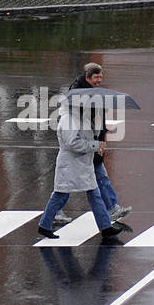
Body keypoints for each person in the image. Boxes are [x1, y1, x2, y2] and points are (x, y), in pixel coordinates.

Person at [36, 98, 123, 244]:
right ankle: (44, 225)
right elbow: (72, 143)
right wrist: (94, 145)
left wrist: (96, 137)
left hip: (83, 164)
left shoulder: (79, 118)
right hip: (70, 164)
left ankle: (106, 227)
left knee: (95, 195)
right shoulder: (68, 119)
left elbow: (84, 136)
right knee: (60, 195)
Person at [54, 61, 130, 225]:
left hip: (90, 140)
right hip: (79, 140)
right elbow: (78, 119)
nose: (99, 80)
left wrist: (101, 140)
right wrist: (95, 142)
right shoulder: (76, 93)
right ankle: (54, 212)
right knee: (67, 181)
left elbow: (99, 120)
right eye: (96, 77)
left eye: (101, 77)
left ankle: (112, 208)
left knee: (98, 175)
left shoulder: (96, 93)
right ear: (88, 77)